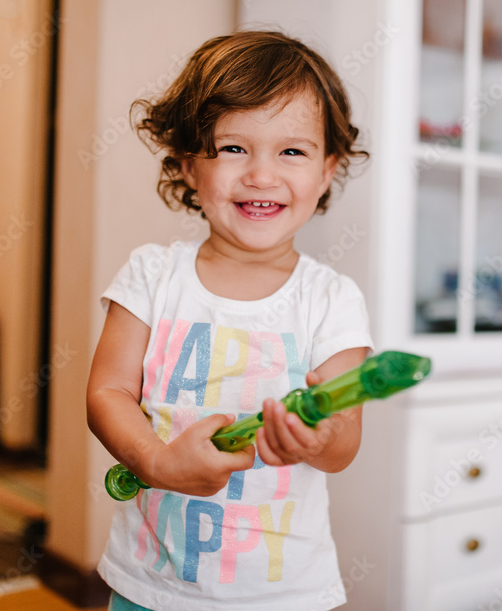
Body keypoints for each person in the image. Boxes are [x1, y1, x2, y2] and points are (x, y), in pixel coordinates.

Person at [86, 31, 373, 611]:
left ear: (326, 171)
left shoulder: (332, 300)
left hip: (283, 593)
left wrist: (320, 436)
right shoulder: (151, 276)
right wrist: (157, 461)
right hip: (151, 583)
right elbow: (107, 392)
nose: (261, 175)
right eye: (233, 149)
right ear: (189, 165)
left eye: (292, 151)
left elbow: (343, 444)